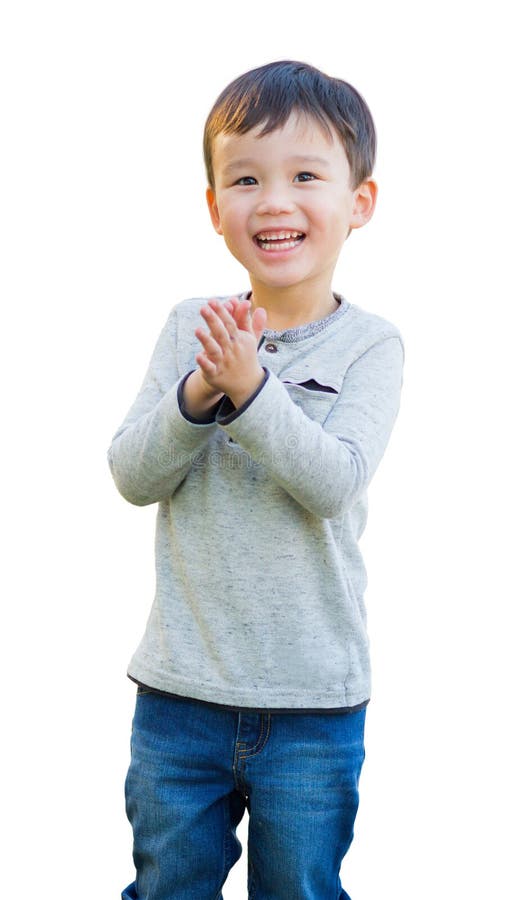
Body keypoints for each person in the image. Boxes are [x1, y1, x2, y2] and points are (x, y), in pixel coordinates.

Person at [108, 58, 405, 900]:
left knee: (299, 889)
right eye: (244, 178)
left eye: (304, 175)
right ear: (214, 209)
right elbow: (132, 475)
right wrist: (199, 393)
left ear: (359, 203)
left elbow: (333, 482)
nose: (272, 200)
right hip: (179, 695)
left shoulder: (371, 346)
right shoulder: (188, 330)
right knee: (167, 885)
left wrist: (251, 390)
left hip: (313, 704)